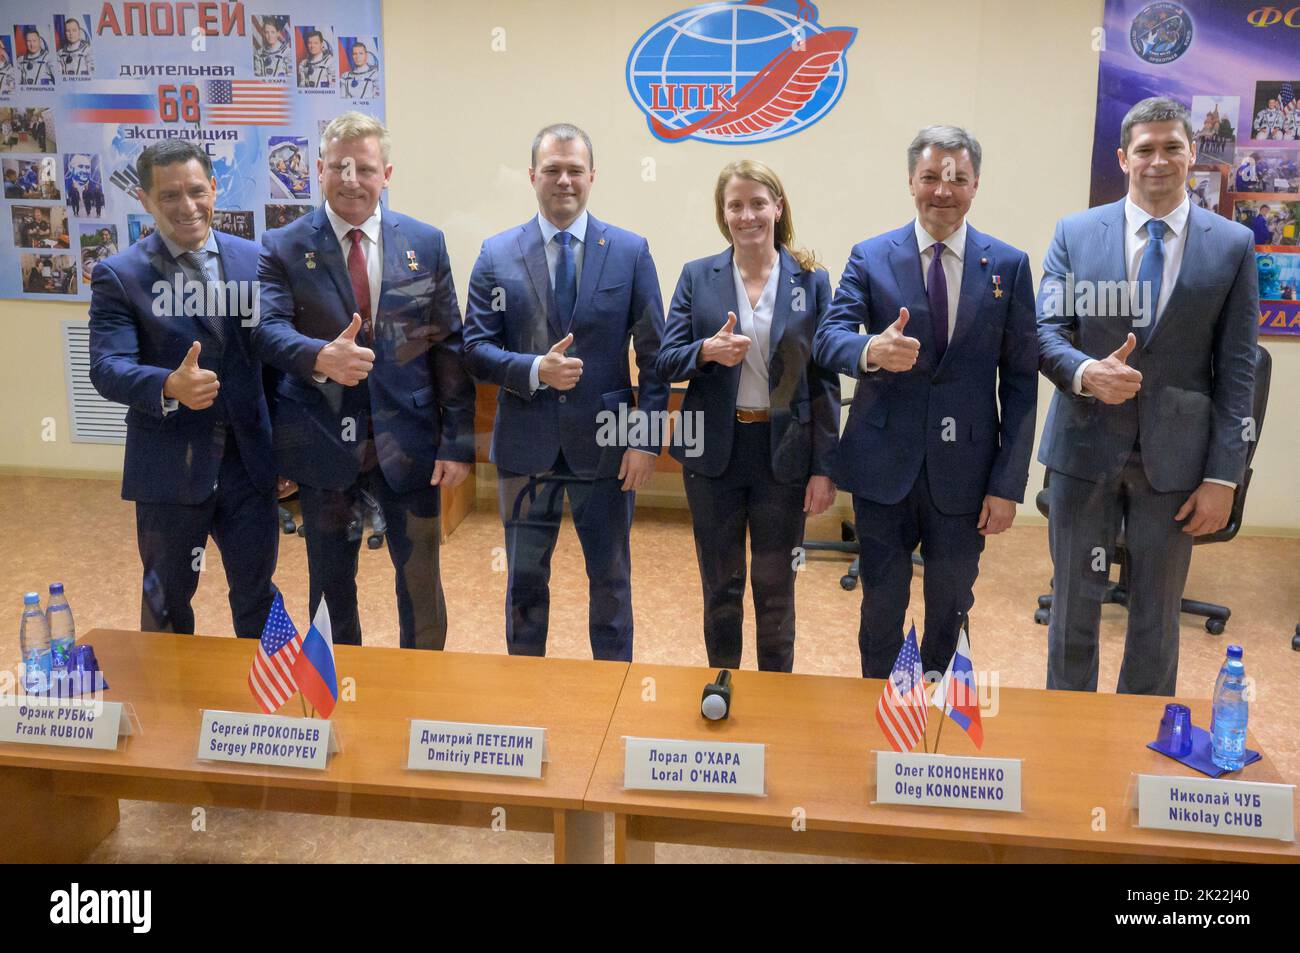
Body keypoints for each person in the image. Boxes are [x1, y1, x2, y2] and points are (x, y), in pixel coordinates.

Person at [1037, 97, 1258, 696]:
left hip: (1177, 464)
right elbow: (1045, 332)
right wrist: (1086, 373)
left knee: (1157, 617)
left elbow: (1237, 368)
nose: (1158, 161)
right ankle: (1069, 731)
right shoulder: (1077, 233)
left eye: (1172, 148)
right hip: (1084, 449)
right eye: (1145, 149)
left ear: (1191, 155)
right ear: (1123, 159)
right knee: (1074, 607)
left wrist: (1224, 476)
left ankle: (1140, 740)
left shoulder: (1233, 245)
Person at [813, 125, 1038, 679]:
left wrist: (1007, 486)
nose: (944, 190)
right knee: (881, 608)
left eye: (958, 179)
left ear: (976, 185)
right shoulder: (871, 256)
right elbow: (828, 338)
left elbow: (1020, 382)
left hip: (965, 475)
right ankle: (879, 715)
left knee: (951, 607)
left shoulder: (1007, 266)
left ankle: (934, 725)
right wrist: (871, 349)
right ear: (911, 181)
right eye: (932, 177)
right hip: (882, 468)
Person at [253, 111, 475, 649]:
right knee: (330, 587)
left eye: (366, 168)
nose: (352, 179)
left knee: (420, 582)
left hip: (409, 444)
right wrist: (319, 356)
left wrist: (457, 443)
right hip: (322, 443)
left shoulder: (426, 242)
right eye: (340, 167)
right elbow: (265, 329)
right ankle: (342, 696)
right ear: (319, 170)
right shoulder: (282, 246)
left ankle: (421, 690)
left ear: (387, 173)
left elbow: (447, 345)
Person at [463, 122, 668, 661]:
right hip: (525, 449)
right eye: (552, 170)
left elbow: (655, 357)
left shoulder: (629, 251)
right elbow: (475, 350)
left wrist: (645, 442)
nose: (564, 180)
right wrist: (534, 369)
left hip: (607, 447)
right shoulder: (496, 254)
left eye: (575, 170)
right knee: (525, 584)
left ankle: (613, 692)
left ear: (592, 177)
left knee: (611, 582)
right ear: (532, 176)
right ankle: (528, 693)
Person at [88, 140, 279, 638]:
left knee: (258, 597)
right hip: (169, 468)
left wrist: (286, 456)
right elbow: (107, 367)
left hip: (248, 467)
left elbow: (277, 366)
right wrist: (167, 384)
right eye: (169, 195)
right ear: (146, 201)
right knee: (167, 602)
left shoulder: (257, 261)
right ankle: (168, 713)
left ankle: (272, 713)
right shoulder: (119, 275)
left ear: (215, 189)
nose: (187, 206)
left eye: (197, 190)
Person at [656, 160, 839, 672]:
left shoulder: (812, 281)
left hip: (785, 455)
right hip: (714, 453)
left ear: (778, 208)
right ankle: (724, 684)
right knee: (721, 584)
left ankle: (774, 693)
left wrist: (826, 468)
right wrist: (706, 352)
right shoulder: (699, 276)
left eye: (758, 203)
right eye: (735, 205)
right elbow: (665, 358)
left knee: (775, 585)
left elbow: (825, 379)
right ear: (723, 214)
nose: (747, 215)